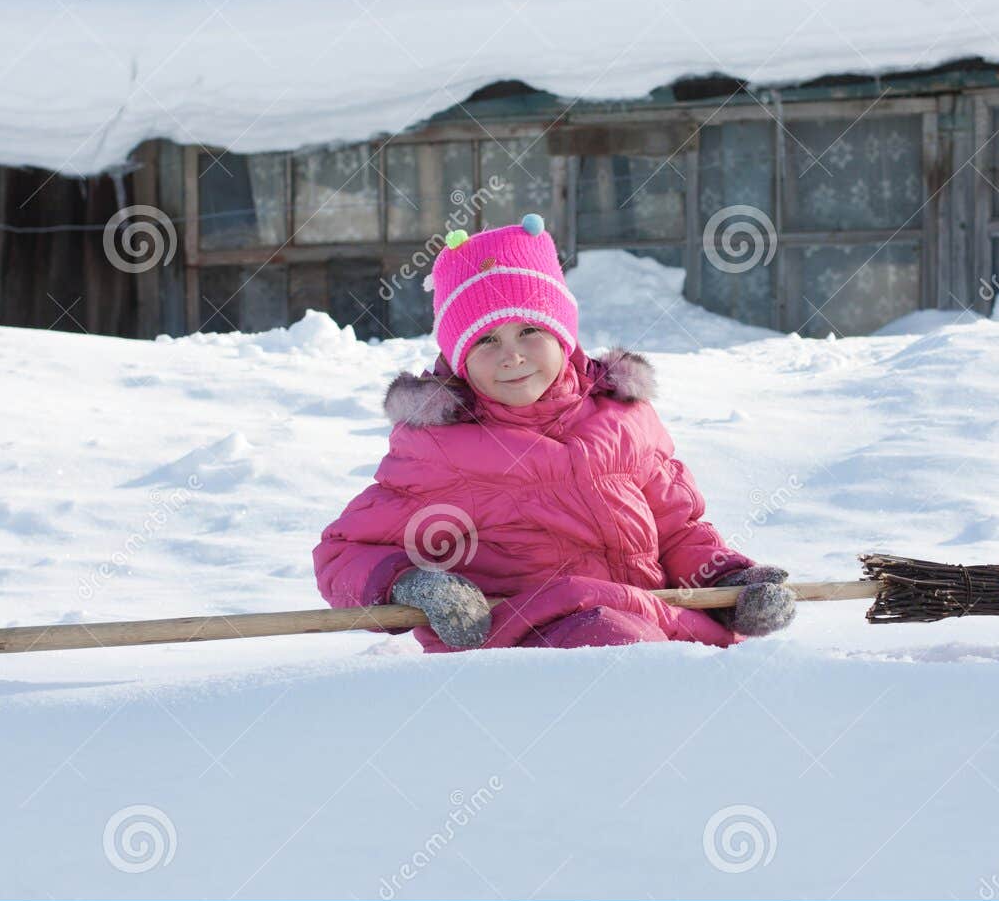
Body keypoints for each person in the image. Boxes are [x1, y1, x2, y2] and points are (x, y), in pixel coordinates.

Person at [311, 213, 795, 653]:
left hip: (661, 628)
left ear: (563, 334)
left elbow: (678, 532)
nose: (512, 355)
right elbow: (341, 554)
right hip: (523, 648)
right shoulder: (440, 451)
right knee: (616, 642)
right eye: (485, 340)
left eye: (529, 331)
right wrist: (413, 585)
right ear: (458, 357)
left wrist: (730, 586)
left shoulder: (625, 420)